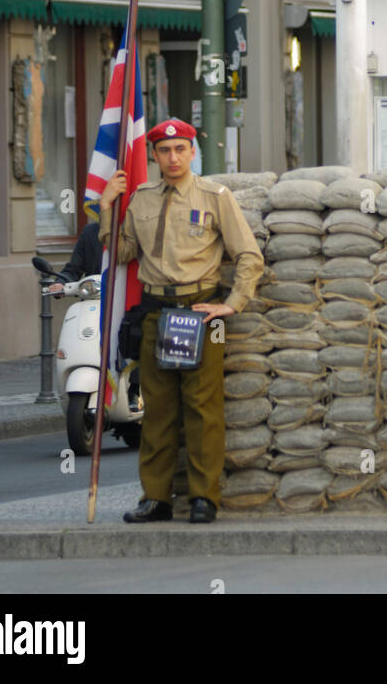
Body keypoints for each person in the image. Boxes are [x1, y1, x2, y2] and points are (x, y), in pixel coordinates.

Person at [98, 118, 264, 524]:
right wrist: (105, 209)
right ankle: (156, 498)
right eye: (164, 151)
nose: (172, 158)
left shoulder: (215, 196)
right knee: (157, 411)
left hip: (198, 314)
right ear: (154, 155)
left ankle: (204, 497)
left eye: (180, 150)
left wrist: (232, 303)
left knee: (203, 409)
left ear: (192, 152)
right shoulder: (141, 197)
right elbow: (122, 253)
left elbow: (248, 254)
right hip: (155, 314)